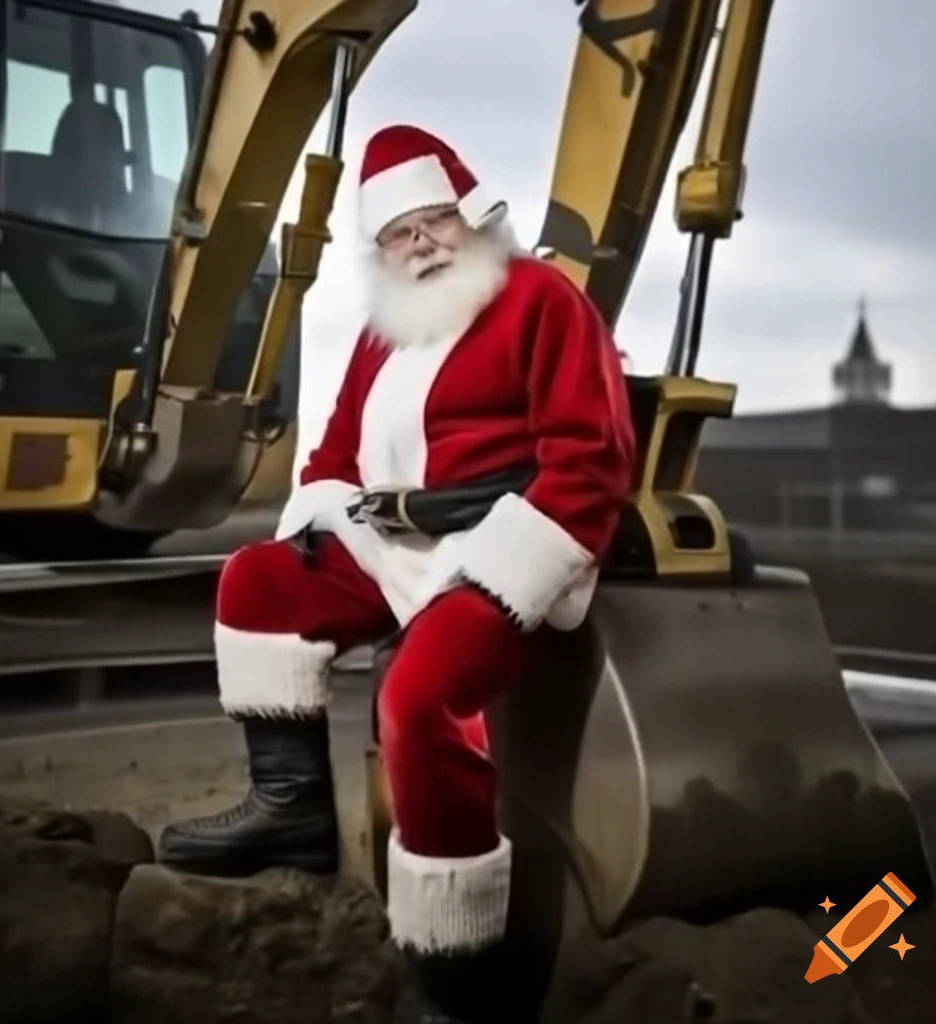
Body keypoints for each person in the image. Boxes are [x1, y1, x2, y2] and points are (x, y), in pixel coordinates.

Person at [158, 124, 637, 1021]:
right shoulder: (384, 334)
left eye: (433, 222)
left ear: (471, 216)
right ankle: (292, 808)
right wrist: (321, 526)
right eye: (397, 234)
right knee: (256, 582)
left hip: (501, 545)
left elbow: (590, 461)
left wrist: (505, 574)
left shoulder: (542, 301)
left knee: (418, 701)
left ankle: (458, 966)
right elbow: (333, 457)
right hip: (395, 545)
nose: (420, 244)